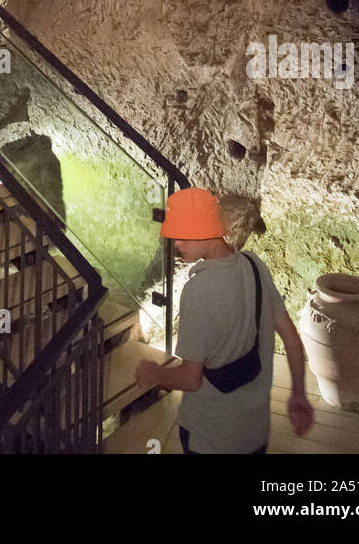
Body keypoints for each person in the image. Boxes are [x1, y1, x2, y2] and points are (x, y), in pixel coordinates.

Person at [135, 188, 314, 454]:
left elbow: (191, 378)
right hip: (255, 432)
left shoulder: (198, 291)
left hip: (211, 435)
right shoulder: (254, 265)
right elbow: (291, 339)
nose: (177, 244)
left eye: (183, 234)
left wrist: (155, 374)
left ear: (208, 229)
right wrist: (299, 394)